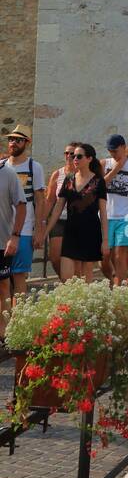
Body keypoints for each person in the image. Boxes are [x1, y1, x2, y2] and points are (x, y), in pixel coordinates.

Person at [43, 143, 109, 283]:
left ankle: (85, 305)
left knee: (86, 281)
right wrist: (45, 231)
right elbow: (57, 208)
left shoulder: (98, 182)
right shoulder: (69, 179)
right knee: (67, 279)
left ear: (89, 158)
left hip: (90, 232)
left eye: (79, 156)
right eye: (73, 156)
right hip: (70, 232)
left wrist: (105, 241)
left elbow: (103, 213)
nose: (75, 159)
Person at [1, 125, 45, 301]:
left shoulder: (34, 167)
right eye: (11, 139)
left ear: (27, 143)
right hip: (3, 230)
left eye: (18, 140)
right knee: (3, 279)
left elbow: (40, 199)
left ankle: (17, 319)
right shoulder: (2, 166)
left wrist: (39, 230)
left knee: (19, 276)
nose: (13, 143)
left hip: (25, 229)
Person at [102, 135, 128, 285]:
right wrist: (116, 170)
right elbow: (99, 187)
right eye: (110, 151)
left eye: (115, 150)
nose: (112, 154)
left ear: (123, 147)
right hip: (106, 217)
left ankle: (122, 291)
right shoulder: (104, 164)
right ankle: (115, 278)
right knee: (104, 257)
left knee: (121, 255)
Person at [0, 158, 27, 350]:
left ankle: (4, 333)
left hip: (2, 241)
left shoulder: (8, 173)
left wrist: (15, 236)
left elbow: (21, 205)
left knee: (2, 287)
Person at [41, 145, 76, 278]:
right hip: (59, 219)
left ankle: (73, 286)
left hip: (76, 220)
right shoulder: (58, 174)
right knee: (55, 257)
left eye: (72, 154)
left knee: (75, 257)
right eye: (66, 153)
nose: (69, 156)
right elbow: (50, 200)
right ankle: (67, 284)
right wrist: (43, 221)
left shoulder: (83, 174)